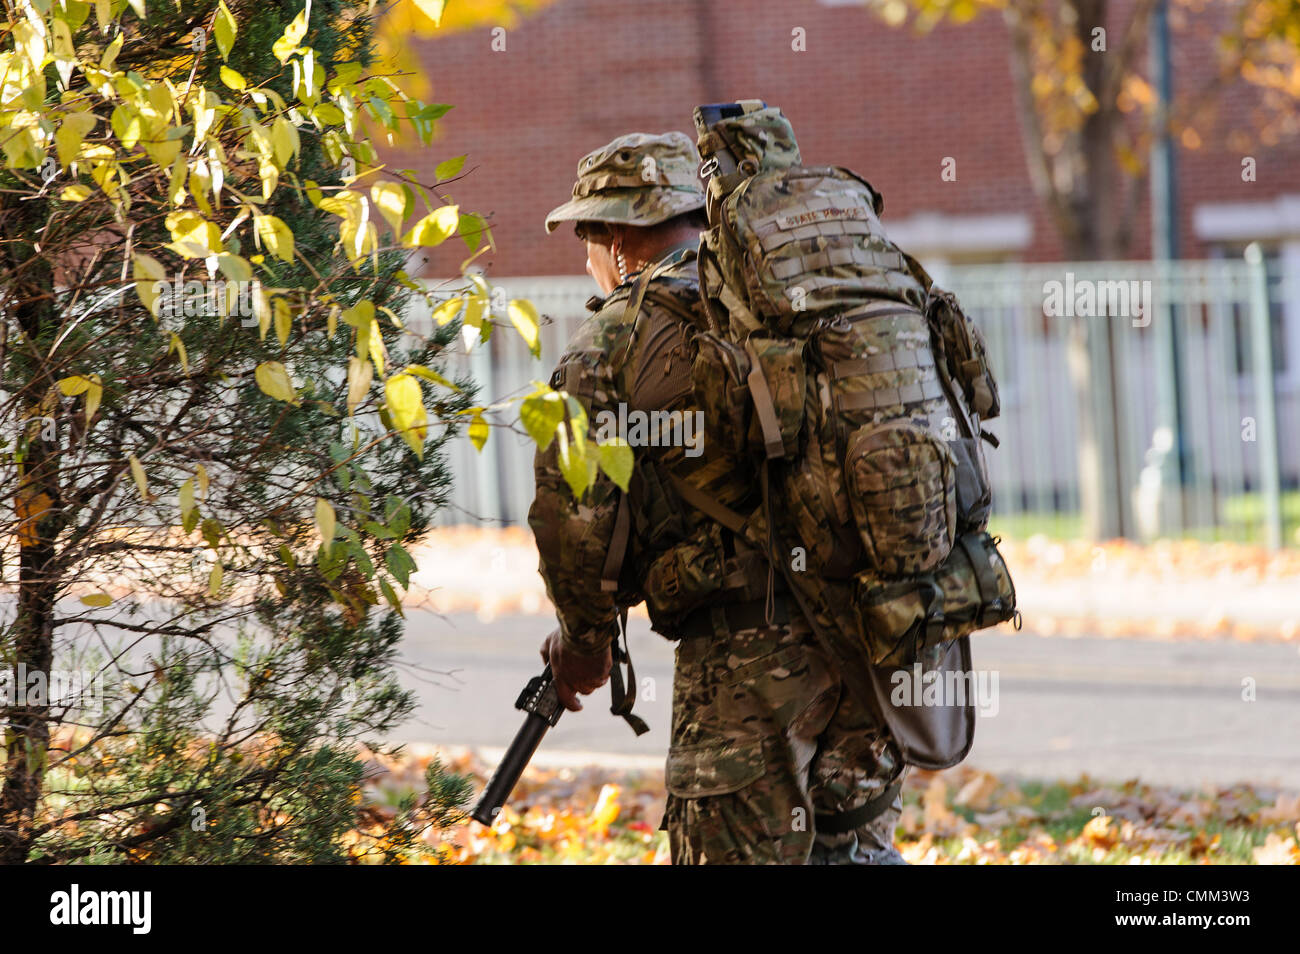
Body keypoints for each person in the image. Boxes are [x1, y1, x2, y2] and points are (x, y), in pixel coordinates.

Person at [529, 131, 908, 864]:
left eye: (587, 238)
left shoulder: (614, 340)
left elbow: (574, 521)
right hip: (880, 631)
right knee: (849, 853)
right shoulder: (797, 300)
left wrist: (585, 647)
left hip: (748, 663)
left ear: (614, 237)